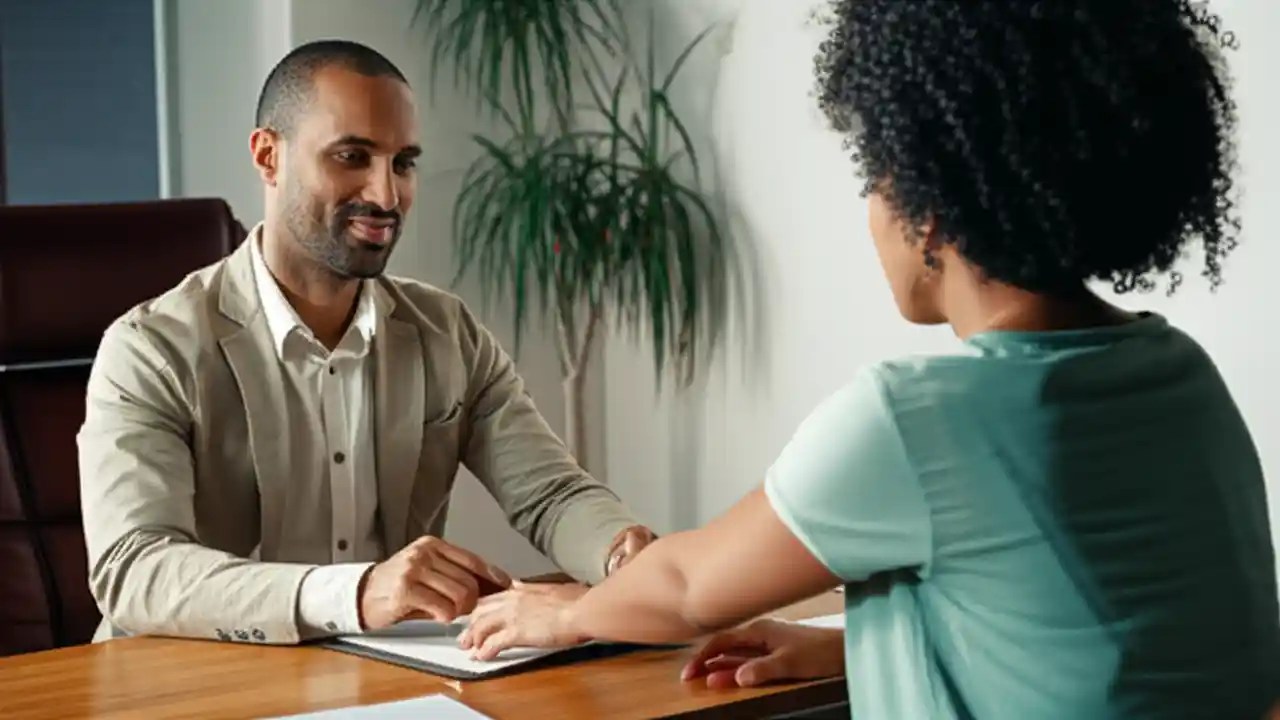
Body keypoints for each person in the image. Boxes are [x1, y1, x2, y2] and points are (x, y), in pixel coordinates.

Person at [457, 1, 1280, 718]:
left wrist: (563, 614)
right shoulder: (1183, 372)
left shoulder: (917, 417)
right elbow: (1110, 631)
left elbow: (685, 587)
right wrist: (851, 646)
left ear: (929, 212)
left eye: (877, 178)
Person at [76, 39, 655, 646]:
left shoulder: (446, 332)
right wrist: (355, 593)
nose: (386, 196)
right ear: (268, 156)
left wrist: (622, 556)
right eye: (352, 157)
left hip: (386, 680)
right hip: (194, 689)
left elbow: (551, 493)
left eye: (403, 163)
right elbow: (134, 567)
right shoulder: (148, 348)